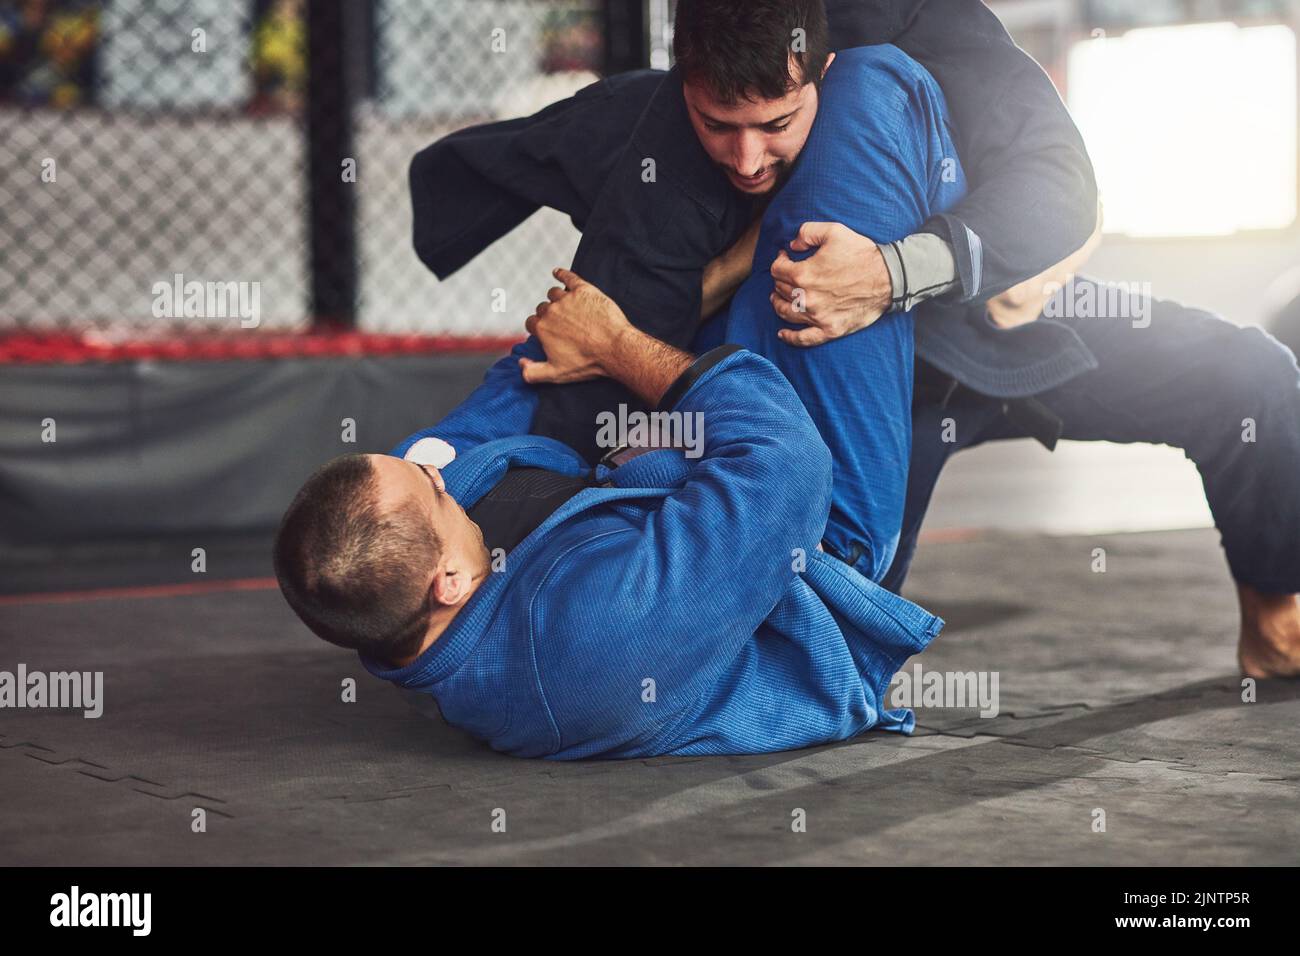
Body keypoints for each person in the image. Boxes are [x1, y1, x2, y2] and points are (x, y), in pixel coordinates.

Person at [411, 0, 1300, 678]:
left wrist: (895, 271)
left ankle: (1276, 617)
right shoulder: (657, 130)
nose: (748, 157)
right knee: (829, 628)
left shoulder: (912, 40)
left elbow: (1061, 186)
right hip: (835, 376)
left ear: (817, 62)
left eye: (777, 126)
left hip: (984, 329)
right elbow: (607, 344)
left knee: (1253, 377)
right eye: (722, 127)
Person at [273, 46, 957, 758]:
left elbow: (488, 418)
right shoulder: (594, 640)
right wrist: (623, 344)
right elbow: (785, 465)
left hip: (675, 454)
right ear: (449, 582)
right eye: (435, 492)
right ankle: (981, 285)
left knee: (652, 125)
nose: (438, 474)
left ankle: (719, 261)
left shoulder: (420, 567)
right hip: (813, 535)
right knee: (868, 89)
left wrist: (586, 332)